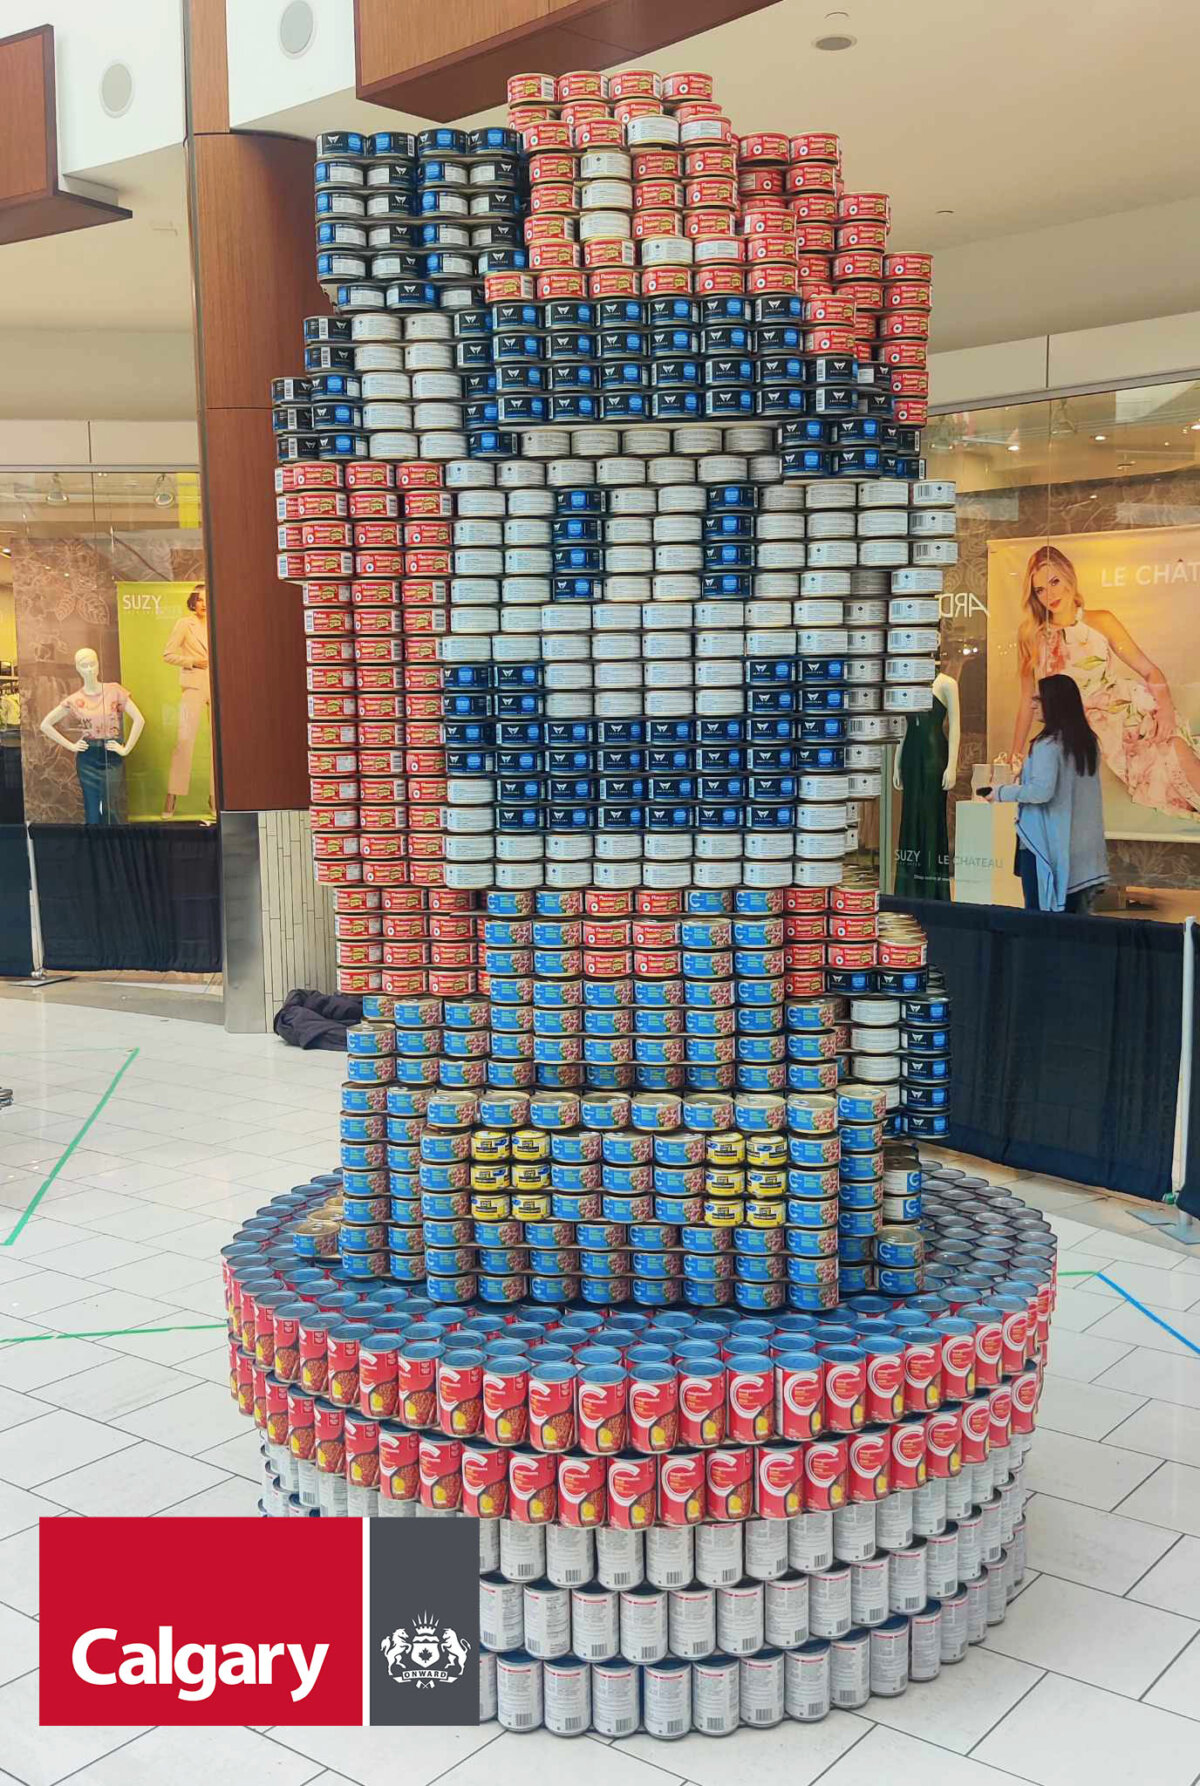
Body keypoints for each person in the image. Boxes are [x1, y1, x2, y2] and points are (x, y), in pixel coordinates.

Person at [1010, 543, 1200, 815]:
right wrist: (1014, 758)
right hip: (1078, 723)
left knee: (1172, 747)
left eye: (1054, 581)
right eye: (1040, 589)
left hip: (1123, 708)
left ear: (1069, 578)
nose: (1049, 594)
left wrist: (1167, 710)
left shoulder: (1101, 621)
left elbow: (1150, 671)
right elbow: (1027, 701)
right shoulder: (1032, 635)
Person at [990, 673, 1107, 912]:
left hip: (1044, 843)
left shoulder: (1048, 744)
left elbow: (1041, 791)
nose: (1033, 705)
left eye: (1038, 699)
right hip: (1081, 847)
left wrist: (1000, 792)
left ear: (1054, 703)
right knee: (1077, 917)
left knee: (1040, 914)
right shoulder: (1086, 743)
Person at [161, 584, 212, 818]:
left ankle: (215, 796)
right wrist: (192, 661)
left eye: (206, 599)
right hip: (193, 684)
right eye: (199, 599)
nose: (202, 603)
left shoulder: (217, 622)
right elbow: (168, 654)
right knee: (184, 739)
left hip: (217, 686)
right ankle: (172, 796)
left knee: (218, 744)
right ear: (193, 602)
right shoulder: (184, 623)